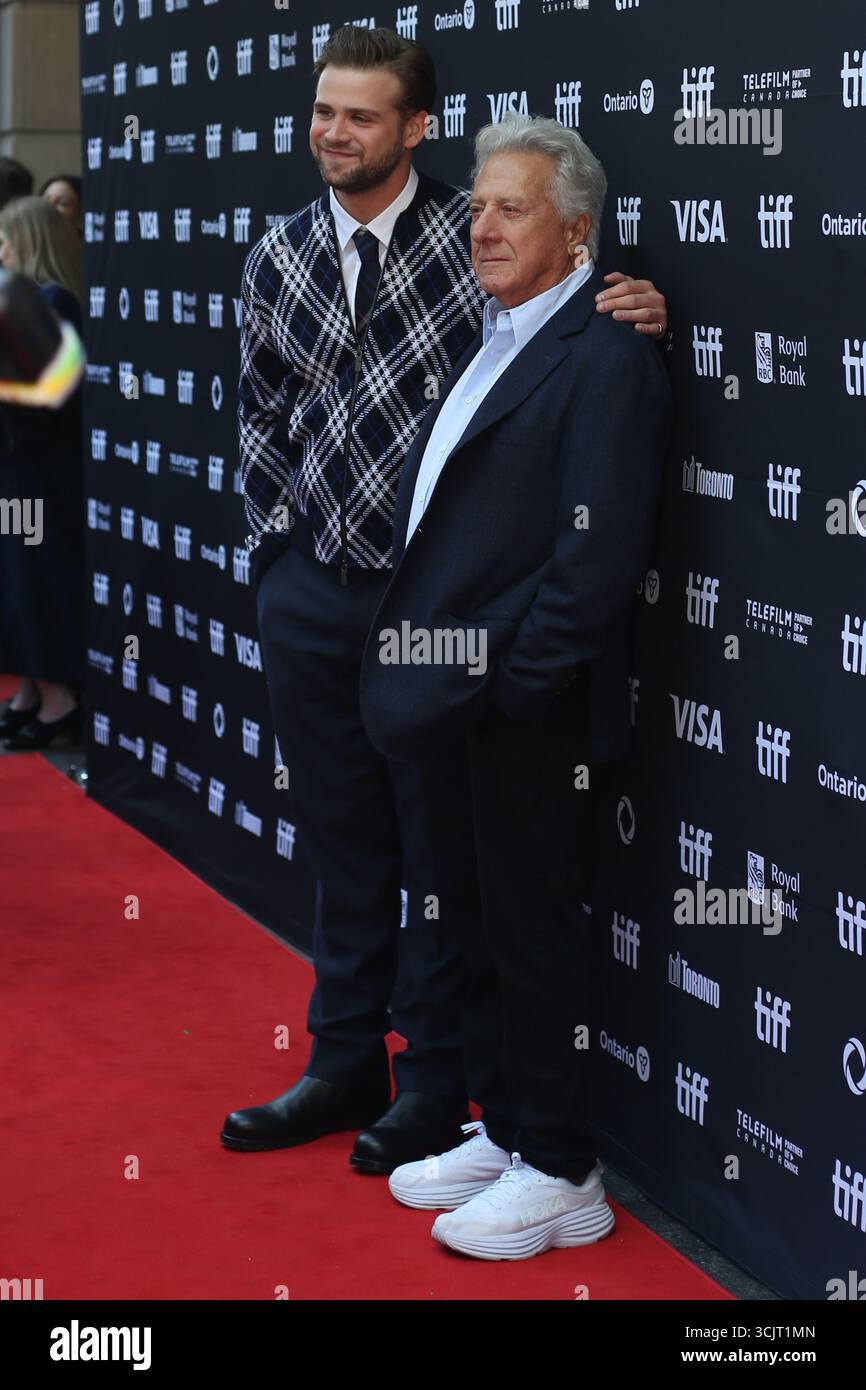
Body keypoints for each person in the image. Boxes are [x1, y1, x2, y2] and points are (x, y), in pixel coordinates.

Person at [225, 25, 669, 1175]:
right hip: (311, 590)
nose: (333, 132)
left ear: (412, 128)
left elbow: (557, 325)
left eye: (360, 115)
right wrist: (277, 559)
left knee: (440, 853)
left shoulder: (466, 240)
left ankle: (431, 1087)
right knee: (343, 840)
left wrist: (627, 297)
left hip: (428, 604)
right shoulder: (276, 254)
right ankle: (340, 1062)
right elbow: (258, 419)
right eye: (323, 111)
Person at [359, 115, 672, 1259]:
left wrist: (513, 693)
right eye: (478, 206)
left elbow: (591, 566)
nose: (481, 226)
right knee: (476, 927)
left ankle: (559, 1166)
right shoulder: (490, 334)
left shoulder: (604, 353)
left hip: (527, 713)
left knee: (534, 937)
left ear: (577, 228)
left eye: (512, 208)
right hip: (456, 704)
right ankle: (500, 1127)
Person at [0, 196, 86, 749]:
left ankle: (61, 696)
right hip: (15, 468)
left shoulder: (53, 299)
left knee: (37, 579)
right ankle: (32, 686)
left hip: (39, 471)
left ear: (30, 240)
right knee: (14, 581)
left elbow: (56, 393)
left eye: (5, 237)